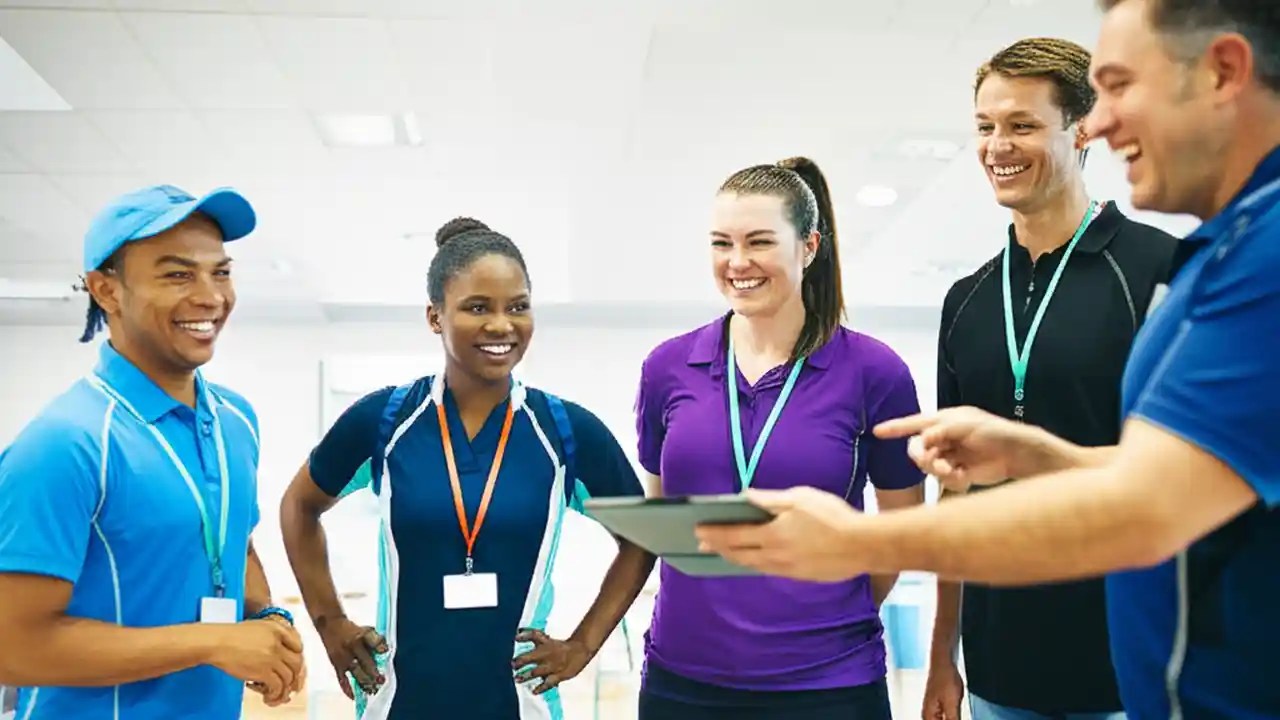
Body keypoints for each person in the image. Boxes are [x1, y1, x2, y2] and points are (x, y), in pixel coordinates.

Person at [694, 1, 1280, 717]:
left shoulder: (1244, 262)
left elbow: (1146, 509)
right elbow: (1180, 478)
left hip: (1143, 681)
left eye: (1123, 86)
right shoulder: (1226, 251)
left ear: (1223, 71)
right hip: (1013, 668)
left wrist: (857, 541)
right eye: (985, 126)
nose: (1103, 119)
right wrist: (1033, 454)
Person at [279, 217, 656, 719]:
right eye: (478, 307)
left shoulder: (565, 429)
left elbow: (642, 535)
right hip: (399, 702)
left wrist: (582, 645)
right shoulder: (385, 419)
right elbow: (300, 506)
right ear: (435, 317)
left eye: (518, 307)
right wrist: (330, 622)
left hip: (520, 704)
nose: (502, 325)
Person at [927, 37, 1178, 720]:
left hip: (1129, 666)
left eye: (1022, 125)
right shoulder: (969, 300)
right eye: (985, 126)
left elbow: (1184, 473)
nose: (997, 145)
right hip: (997, 670)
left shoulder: (1161, 272)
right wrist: (942, 653)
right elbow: (951, 492)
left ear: (1082, 131)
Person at [633, 156, 927, 720]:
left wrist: (828, 612)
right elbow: (662, 511)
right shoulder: (667, 368)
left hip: (828, 683)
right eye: (722, 243)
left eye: (759, 242)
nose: (738, 262)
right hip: (684, 680)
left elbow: (901, 533)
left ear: (809, 247)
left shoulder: (874, 371)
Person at [0, 184, 306, 719]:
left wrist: (267, 614)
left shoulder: (236, 420)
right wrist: (211, 641)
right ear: (106, 291)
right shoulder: (65, 444)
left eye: (221, 271)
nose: (211, 295)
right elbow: (12, 647)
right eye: (177, 274)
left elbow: (232, 540)